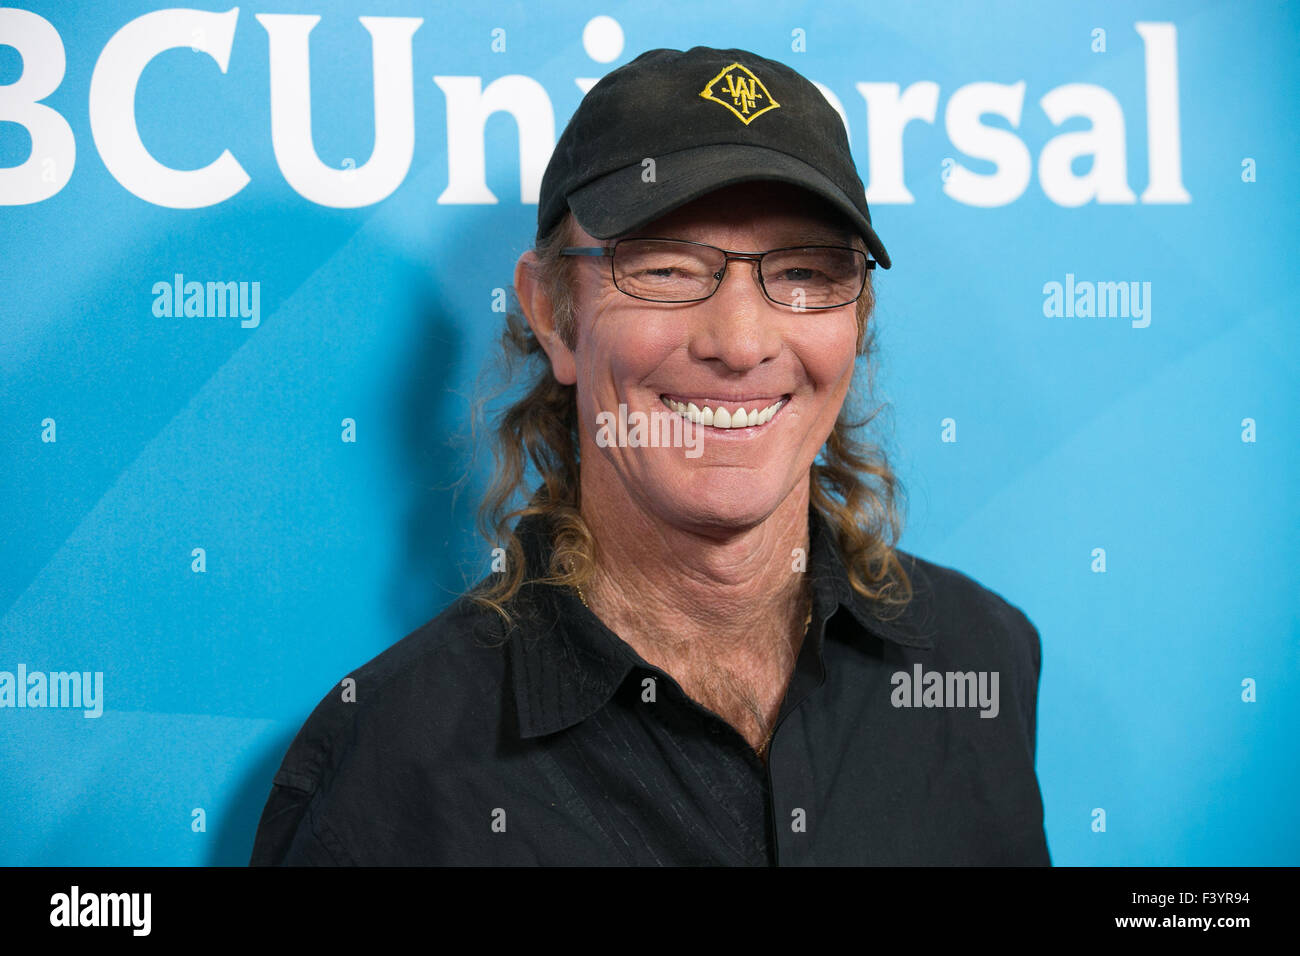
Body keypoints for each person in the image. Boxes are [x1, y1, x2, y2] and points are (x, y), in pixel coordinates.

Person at [250, 46, 1050, 866]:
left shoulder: (979, 657)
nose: (740, 345)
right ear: (555, 315)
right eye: (665, 268)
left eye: (805, 272)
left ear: (856, 318)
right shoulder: (393, 765)